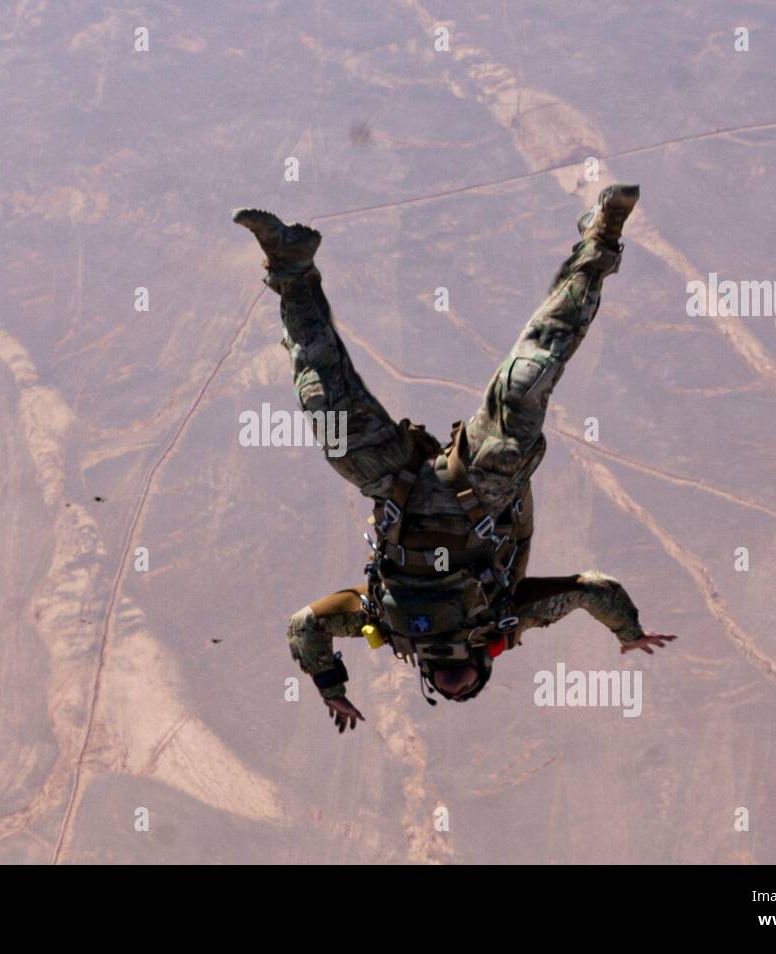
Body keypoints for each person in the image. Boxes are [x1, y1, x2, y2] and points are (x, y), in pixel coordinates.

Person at [233, 185, 676, 734]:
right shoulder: (508, 618)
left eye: (445, 688)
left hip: (395, 487)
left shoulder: (381, 625)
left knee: (324, 404)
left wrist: (331, 685)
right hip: (482, 490)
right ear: (485, 665)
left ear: (425, 676)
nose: (454, 681)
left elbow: (305, 627)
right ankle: (600, 241)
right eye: (467, 685)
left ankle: (291, 264)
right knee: (530, 376)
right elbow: (592, 591)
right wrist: (628, 632)